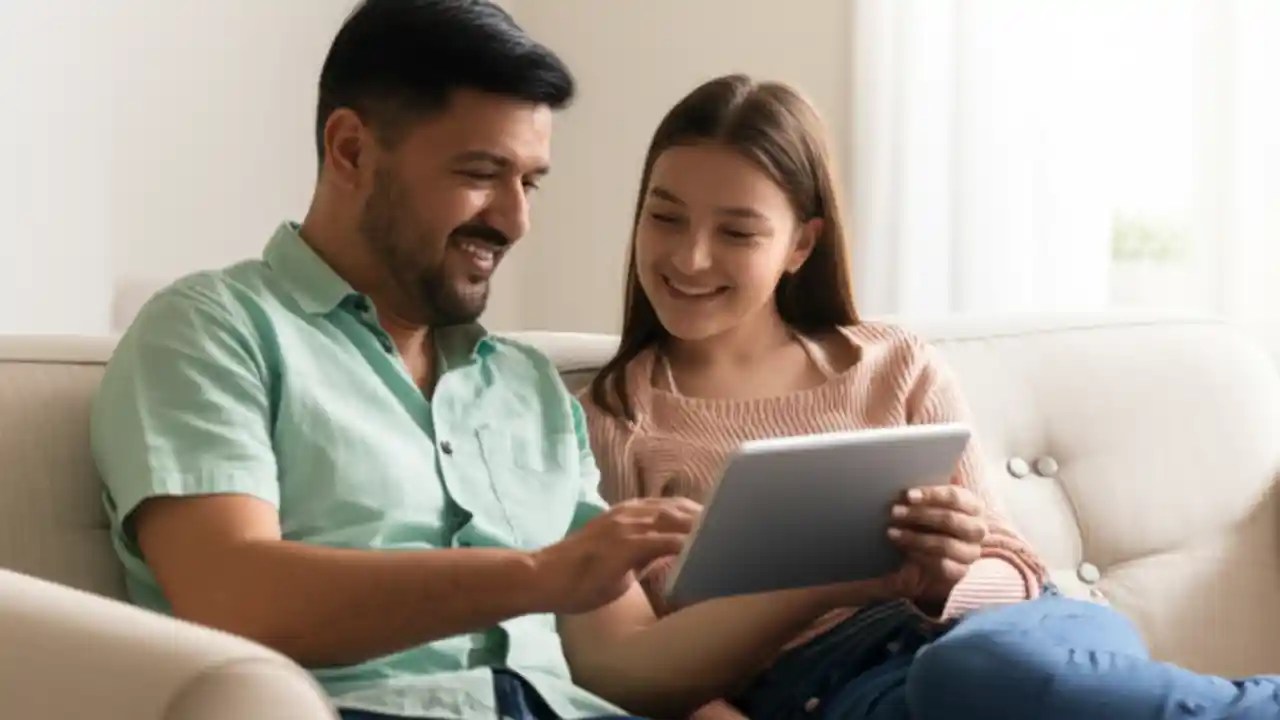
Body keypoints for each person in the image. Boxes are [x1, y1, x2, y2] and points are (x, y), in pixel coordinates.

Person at [89, 4, 901, 720]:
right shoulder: (213, 330)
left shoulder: (527, 387)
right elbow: (233, 593)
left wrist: (853, 574)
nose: (513, 220)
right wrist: (541, 574)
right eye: (481, 175)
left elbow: (622, 663)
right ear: (349, 150)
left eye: (530, 183)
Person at [579, 73, 1280, 720]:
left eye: (737, 231)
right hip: (838, 694)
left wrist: (940, 579)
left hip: (1010, 636)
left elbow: (1017, 571)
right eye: (665, 217)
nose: (689, 257)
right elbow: (639, 669)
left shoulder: (895, 364)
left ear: (801, 245)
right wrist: (846, 587)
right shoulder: (613, 424)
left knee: (974, 665)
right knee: (956, 684)